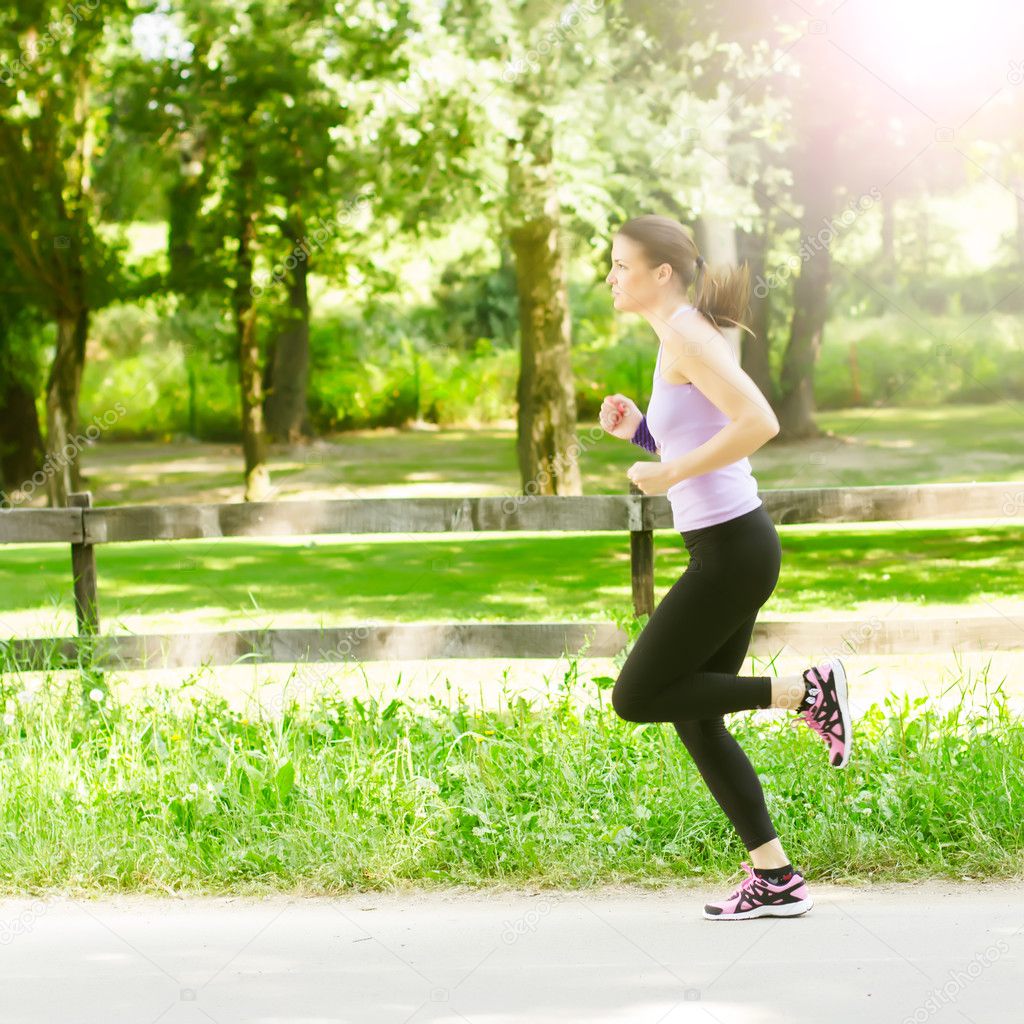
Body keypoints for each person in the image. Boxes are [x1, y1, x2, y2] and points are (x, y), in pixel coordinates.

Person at [598, 214, 852, 921]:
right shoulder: (674, 336)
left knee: (637, 697)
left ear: (661, 274)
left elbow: (759, 421)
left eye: (621, 265)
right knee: (700, 719)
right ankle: (774, 877)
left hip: (733, 553)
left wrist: (669, 466)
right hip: (728, 548)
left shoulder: (684, 332)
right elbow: (715, 435)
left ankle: (805, 692)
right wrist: (642, 434)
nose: (611, 277)